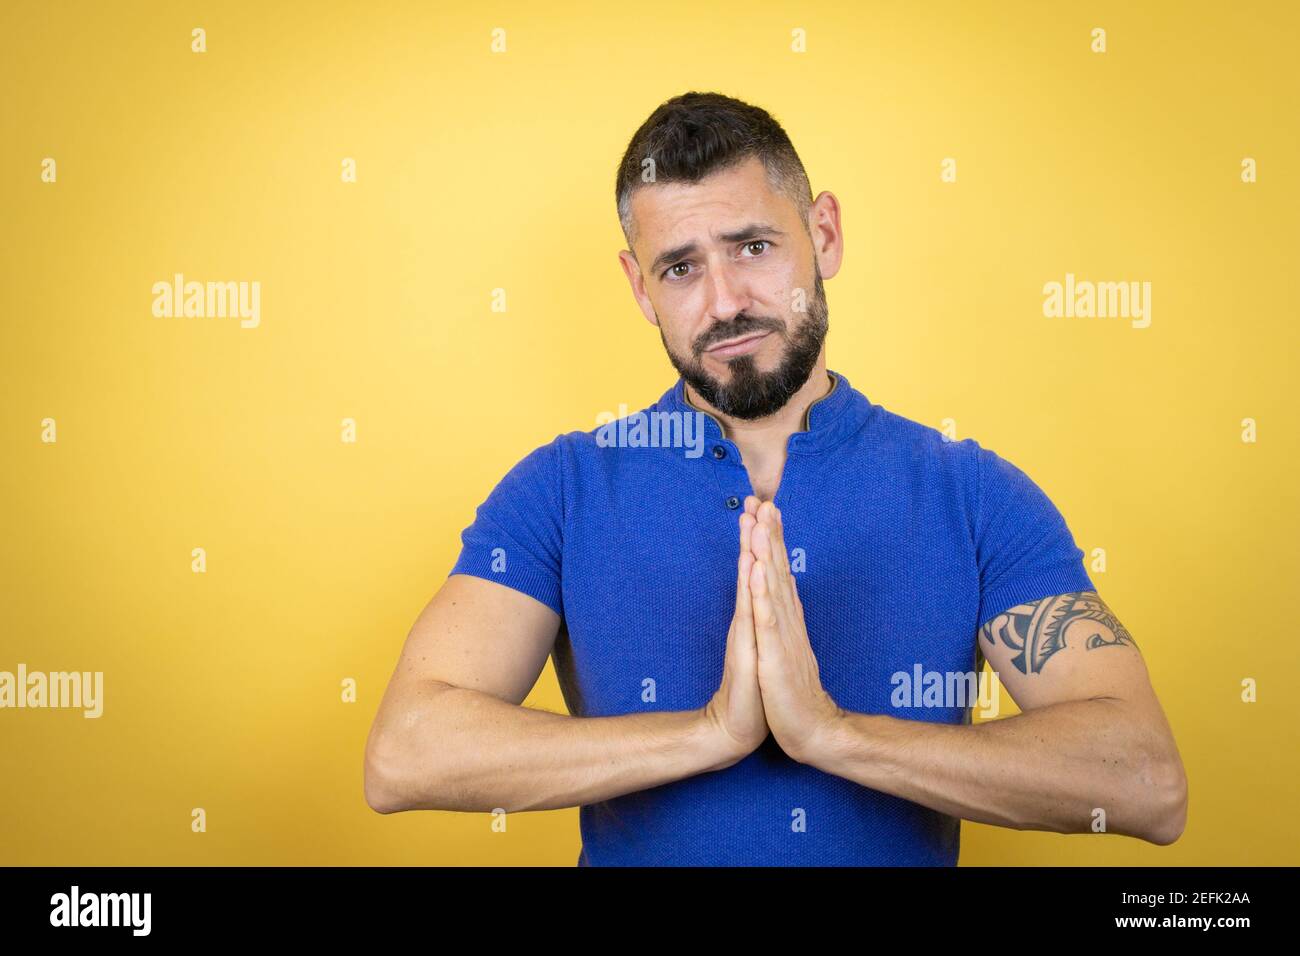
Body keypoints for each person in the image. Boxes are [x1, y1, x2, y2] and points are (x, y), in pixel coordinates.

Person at [363, 91, 1187, 865]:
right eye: (679, 268)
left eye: (754, 248)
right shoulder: (562, 491)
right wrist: (710, 734)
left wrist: (832, 734)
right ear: (638, 288)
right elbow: (405, 755)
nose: (724, 303)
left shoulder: (971, 493)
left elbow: (1145, 781)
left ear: (823, 234)